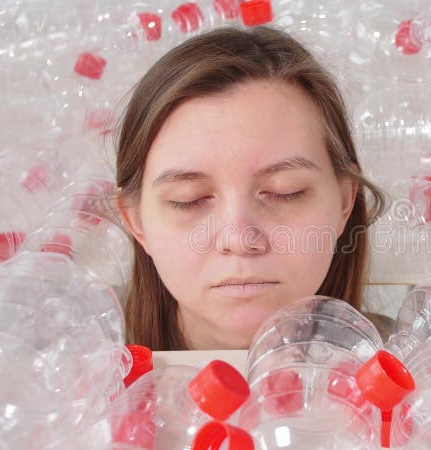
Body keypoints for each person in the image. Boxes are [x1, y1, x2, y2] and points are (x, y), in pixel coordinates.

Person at [115, 25, 390, 350]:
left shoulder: (424, 368)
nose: (240, 239)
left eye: (285, 192)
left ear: (344, 202)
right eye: (189, 200)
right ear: (136, 221)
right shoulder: (77, 377)